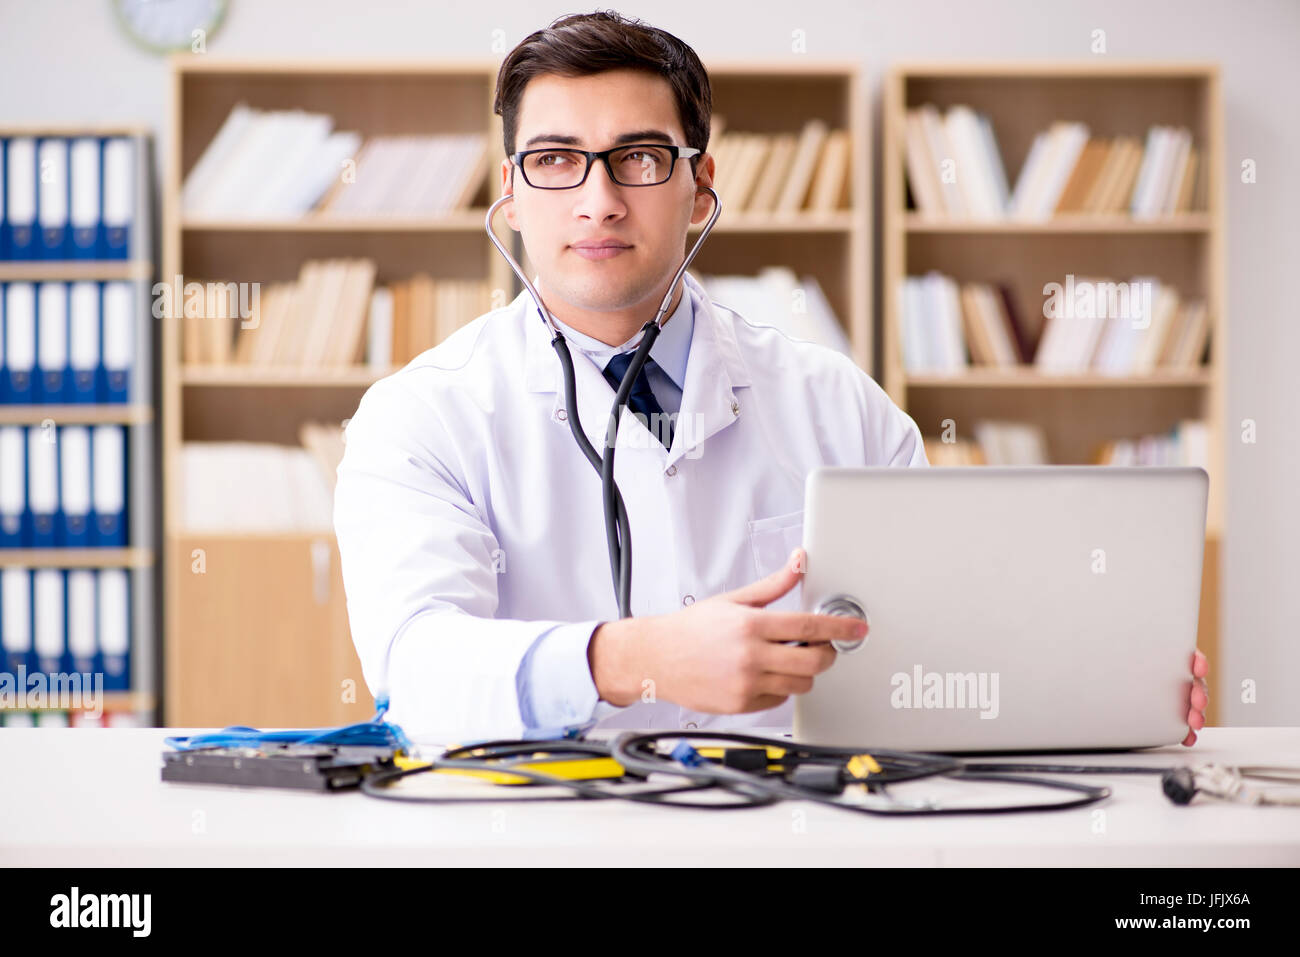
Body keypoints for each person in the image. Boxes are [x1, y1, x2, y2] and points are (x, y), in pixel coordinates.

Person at [333, 10, 1209, 746]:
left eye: (640, 156)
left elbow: (940, 643)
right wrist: (637, 658)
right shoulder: (421, 416)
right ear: (513, 194)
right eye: (556, 159)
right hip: (540, 834)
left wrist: (1094, 676)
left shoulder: (836, 404)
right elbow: (417, 671)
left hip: (802, 830)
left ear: (701, 185)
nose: (598, 199)